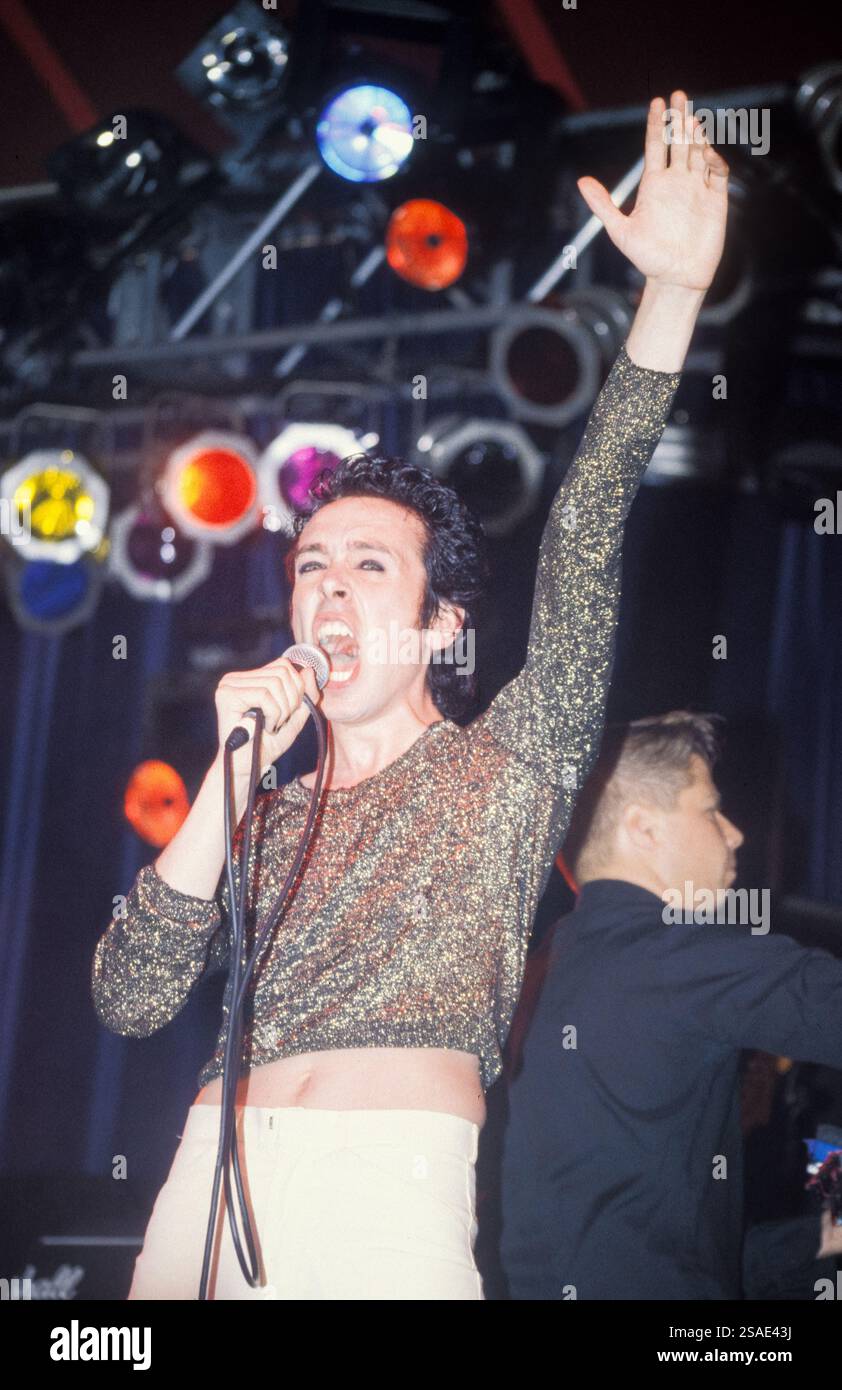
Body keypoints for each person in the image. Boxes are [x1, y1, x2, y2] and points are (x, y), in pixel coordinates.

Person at [91, 92, 729, 1300]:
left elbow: (584, 533)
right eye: (309, 566)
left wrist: (672, 295)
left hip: (387, 1192)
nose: (327, 588)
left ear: (440, 626)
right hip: (208, 1181)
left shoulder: (507, 766)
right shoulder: (259, 811)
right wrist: (228, 777)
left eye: (367, 566)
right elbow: (127, 999)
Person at [499, 712, 842, 1300]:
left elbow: (644, 1246)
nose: (734, 834)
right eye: (710, 810)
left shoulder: (541, 969)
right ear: (644, 829)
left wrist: (819, 1242)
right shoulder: (672, 953)